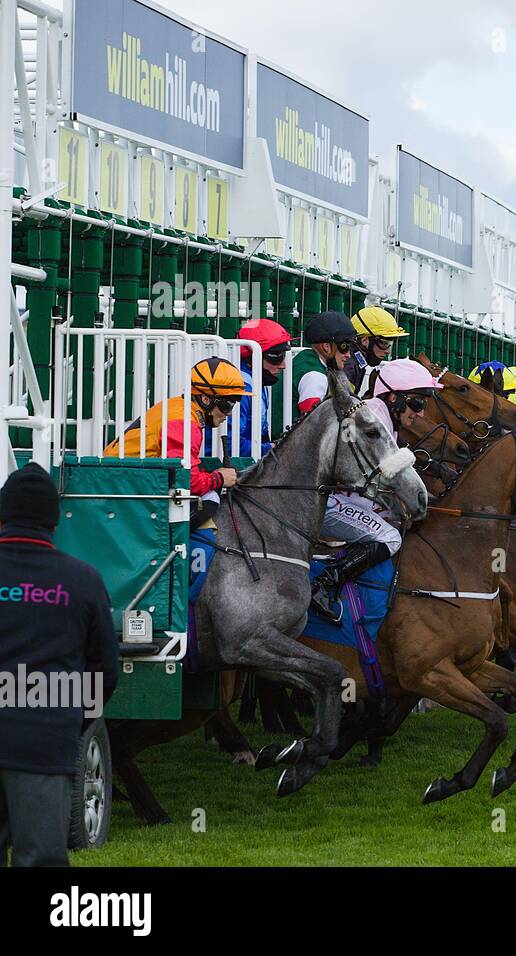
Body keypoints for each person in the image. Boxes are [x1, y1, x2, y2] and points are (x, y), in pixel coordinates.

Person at [0, 464, 116, 866]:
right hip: (45, 740)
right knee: (40, 860)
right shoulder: (83, 580)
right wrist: (71, 719)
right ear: (55, 520)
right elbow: (105, 670)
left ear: (3, 514)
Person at [310, 358, 441, 623]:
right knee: (390, 538)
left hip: (345, 501)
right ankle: (325, 583)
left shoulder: (385, 418)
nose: (421, 413)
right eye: (418, 403)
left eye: (424, 404)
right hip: (327, 503)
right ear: (394, 398)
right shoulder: (372, 413)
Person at [104, 357, 246, 498]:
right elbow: (185, 481)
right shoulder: (184, 422)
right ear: (205, 399)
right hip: (119, 484)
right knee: (210, 500)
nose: (228, 414)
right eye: (226, 406)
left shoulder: (179, 406)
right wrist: (219, 479)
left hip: (121, 478)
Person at [226, 317, 292, 459]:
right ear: (252, 356)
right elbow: (232, 446)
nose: (283, 365)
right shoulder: (241, 389)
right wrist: (271, 448)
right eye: (277, 357)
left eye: (284, 356)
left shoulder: (257, 381)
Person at [292, 311, 358, 419]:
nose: (348, 355)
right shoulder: (315, 376)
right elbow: (313, 423)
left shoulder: (304, 358)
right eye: (344, 347)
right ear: (326, 346)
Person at [348, 306, 408, 396]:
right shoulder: (349, 366)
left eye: (389, 345)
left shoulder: (356, 363)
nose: (387, 351)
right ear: (365, 340)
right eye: (383, 343)